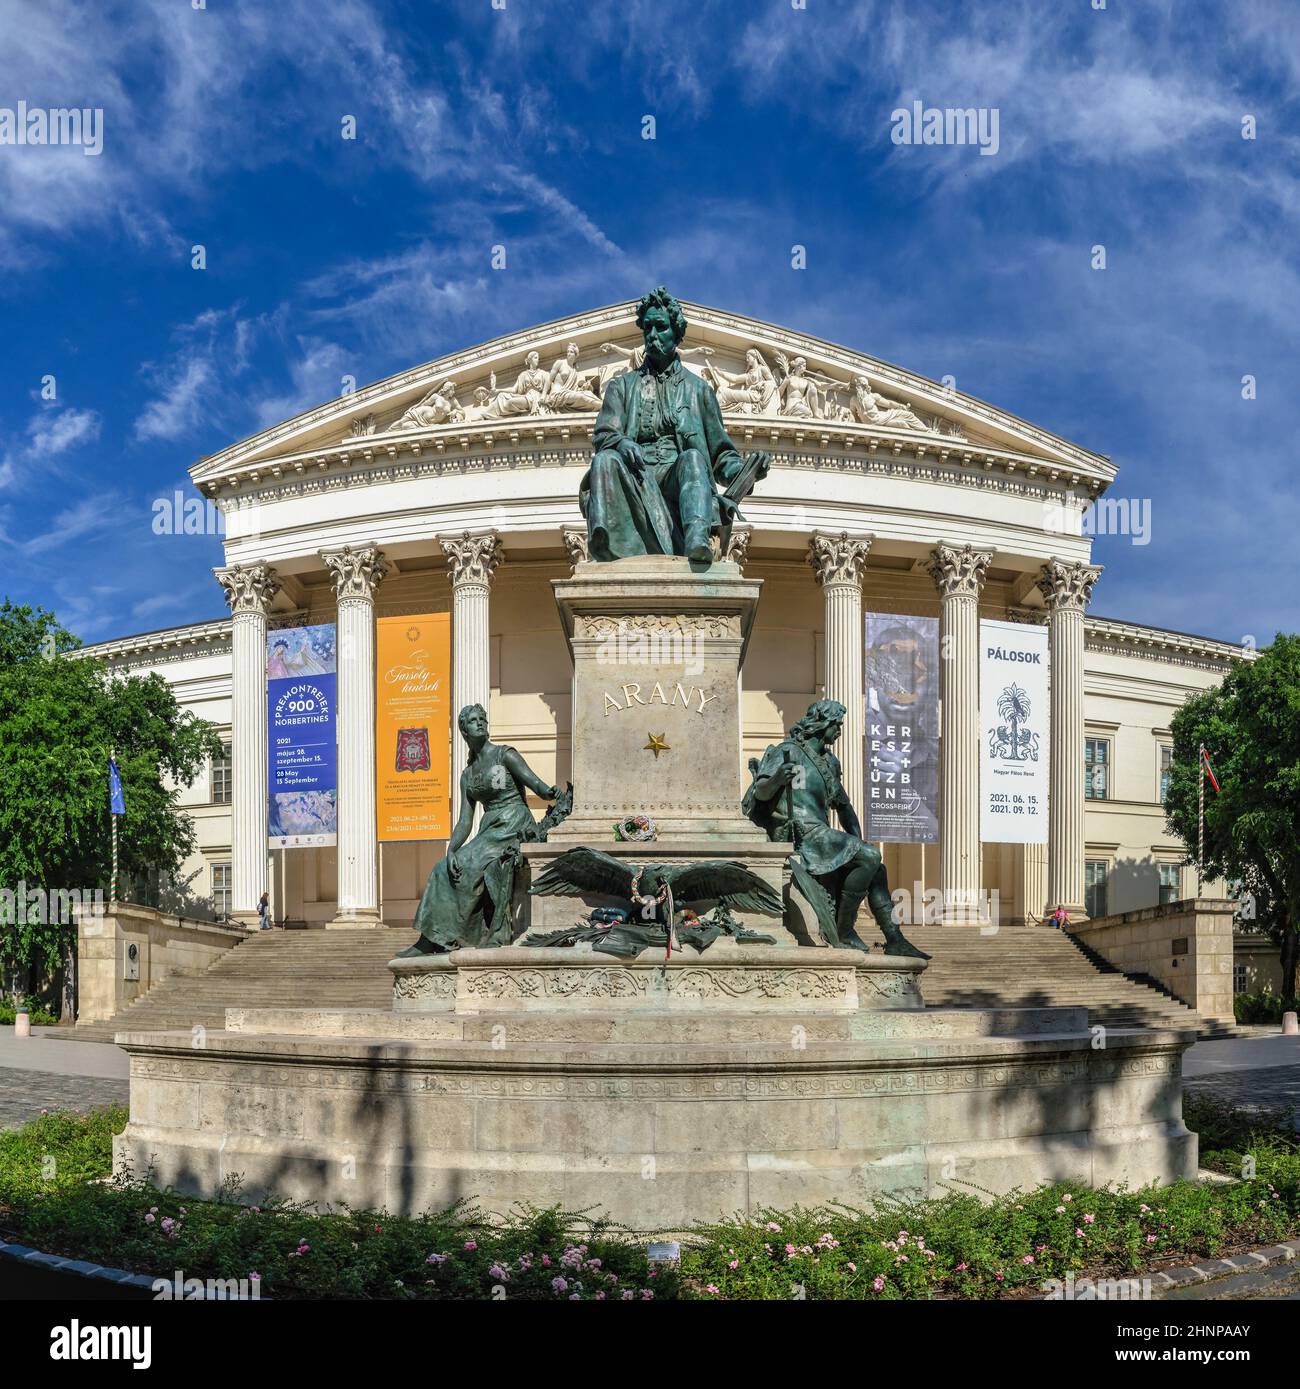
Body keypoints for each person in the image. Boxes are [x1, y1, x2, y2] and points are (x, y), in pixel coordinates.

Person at [580, 285, 770, 564]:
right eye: (648, 329)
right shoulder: (622, 386)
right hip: (635, 477)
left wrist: (744, 472)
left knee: (693, 458)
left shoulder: (699, 390)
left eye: (661, 327)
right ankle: (607, 546)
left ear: (677, 334)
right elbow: (603, 435)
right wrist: (622, 442)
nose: (653, 335)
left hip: (678, 478)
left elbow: (720, 456)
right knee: (605, 460)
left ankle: (696, 539)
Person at [744, 699, 928, 958]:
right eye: (836, 724)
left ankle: (895, 938)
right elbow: (760, 793)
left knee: (875, 865)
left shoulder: (829, 763)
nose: (840, 729)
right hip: (801, 834)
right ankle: (844, 930)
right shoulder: (790, 752)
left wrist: (859, 846)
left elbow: (845, 809)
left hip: (821, 834)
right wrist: (776, 779)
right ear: (821, 724)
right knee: (870, 857)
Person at [397, 704, 568, 955]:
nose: (480, 723)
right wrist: (452, 849)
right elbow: (465, 820)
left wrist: (554, 795)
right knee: (443, 868)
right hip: (490, 830)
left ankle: (438, 940)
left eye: (482, 719)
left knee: (472, 863)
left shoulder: (505, 754)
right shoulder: (467, 775)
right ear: (464, 732)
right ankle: (434, 938)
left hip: (514, 824)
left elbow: (537, 785)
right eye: (474, 721)